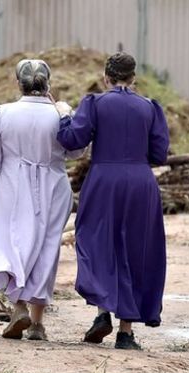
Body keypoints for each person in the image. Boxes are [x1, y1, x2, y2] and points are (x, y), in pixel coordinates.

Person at [55, 52, 170, 350]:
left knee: (96, 241)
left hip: (104, 181)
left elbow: (73, 139)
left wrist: (64, 117)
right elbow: (159, 153)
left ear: (106, 78)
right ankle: (126, 333)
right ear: (134, 78)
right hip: (140, 183)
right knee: (136, 249)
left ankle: (102, 311)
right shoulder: (150, 108)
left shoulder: (95, 103)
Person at [0, 59, 84, 341]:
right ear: (48, 83)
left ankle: (18, 306)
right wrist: (65, 115)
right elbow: (76, 151)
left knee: (11, 243)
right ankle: (37, 323)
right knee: (46, 248)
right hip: (54, 186)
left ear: (18, 84)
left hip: (11, 184)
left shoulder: (1, 113)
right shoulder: (60, 114)